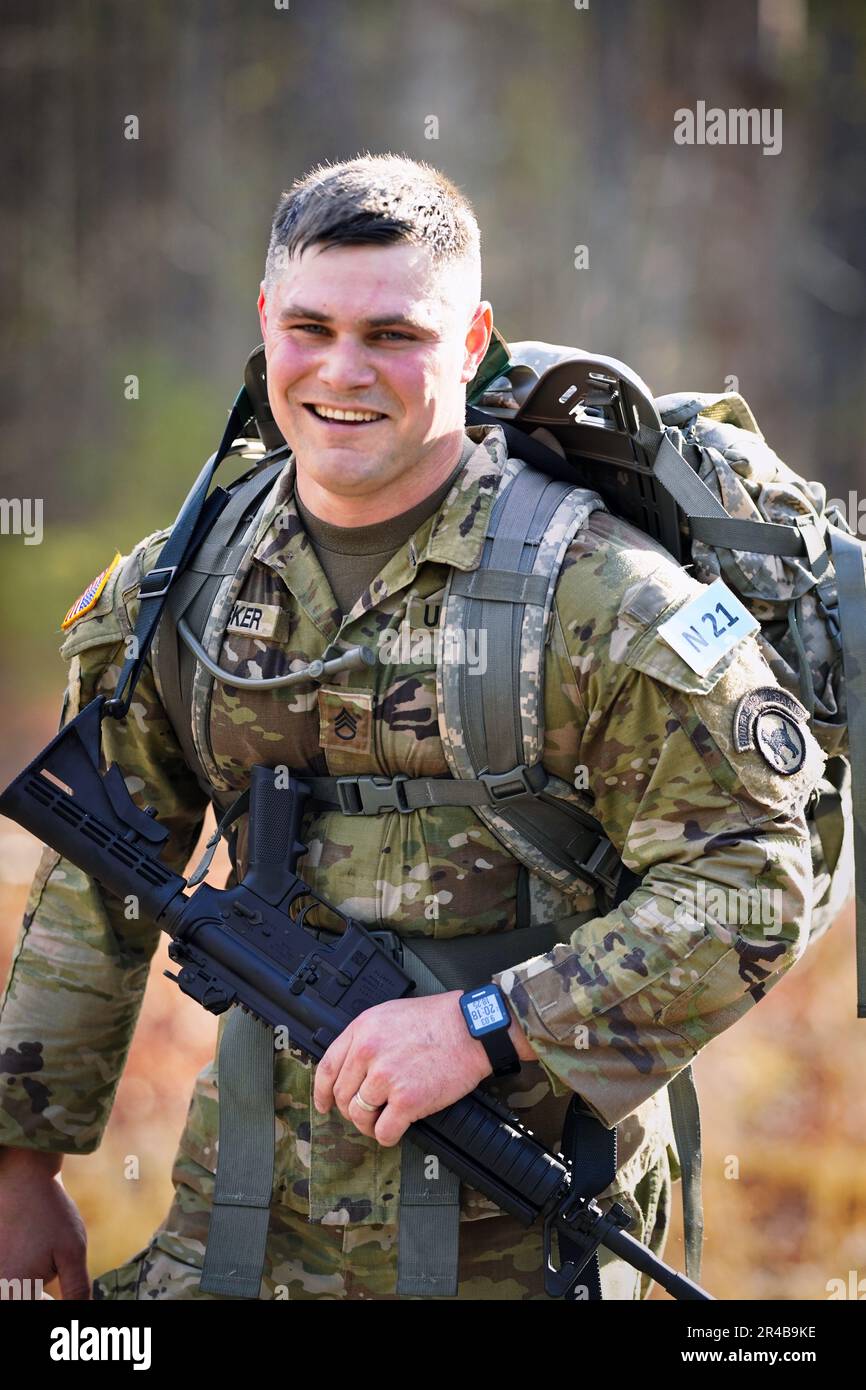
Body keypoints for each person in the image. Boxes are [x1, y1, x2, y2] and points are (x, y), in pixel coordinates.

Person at [0, 153, 826, 1301]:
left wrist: (486, 1023)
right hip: (239, 1226)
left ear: (473, 339)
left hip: (521, 1236)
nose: (343, 371)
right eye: (310, 327)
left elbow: (751, 878)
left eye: (393, 335)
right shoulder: (184, 584)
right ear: (265, 323)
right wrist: (20, 1158)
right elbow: (98, 872)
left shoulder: (592, 597)